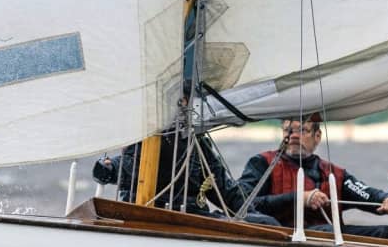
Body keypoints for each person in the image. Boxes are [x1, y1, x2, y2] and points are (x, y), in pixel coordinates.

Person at [93, 82, 277, 226]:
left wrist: (253, 216)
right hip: (149, 216)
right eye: (181, 102)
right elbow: (129, 165)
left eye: (187, 102)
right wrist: (108, 169)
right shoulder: (149, 139)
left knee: (267, 223)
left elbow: (224, 190)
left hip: (191, 217)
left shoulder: (197, 145)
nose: (185, 108)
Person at [238, 113, 388, 238]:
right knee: (328, 232)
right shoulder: (262, 164)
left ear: (317, 137)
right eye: (289, 130)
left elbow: (366, 194)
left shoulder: (335, 174)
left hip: (329, 239)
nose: (294, 135)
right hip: (281, 239)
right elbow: (241, 203)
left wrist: (387, 199)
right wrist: (299, 198)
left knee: (387, 233)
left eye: (302, 130)